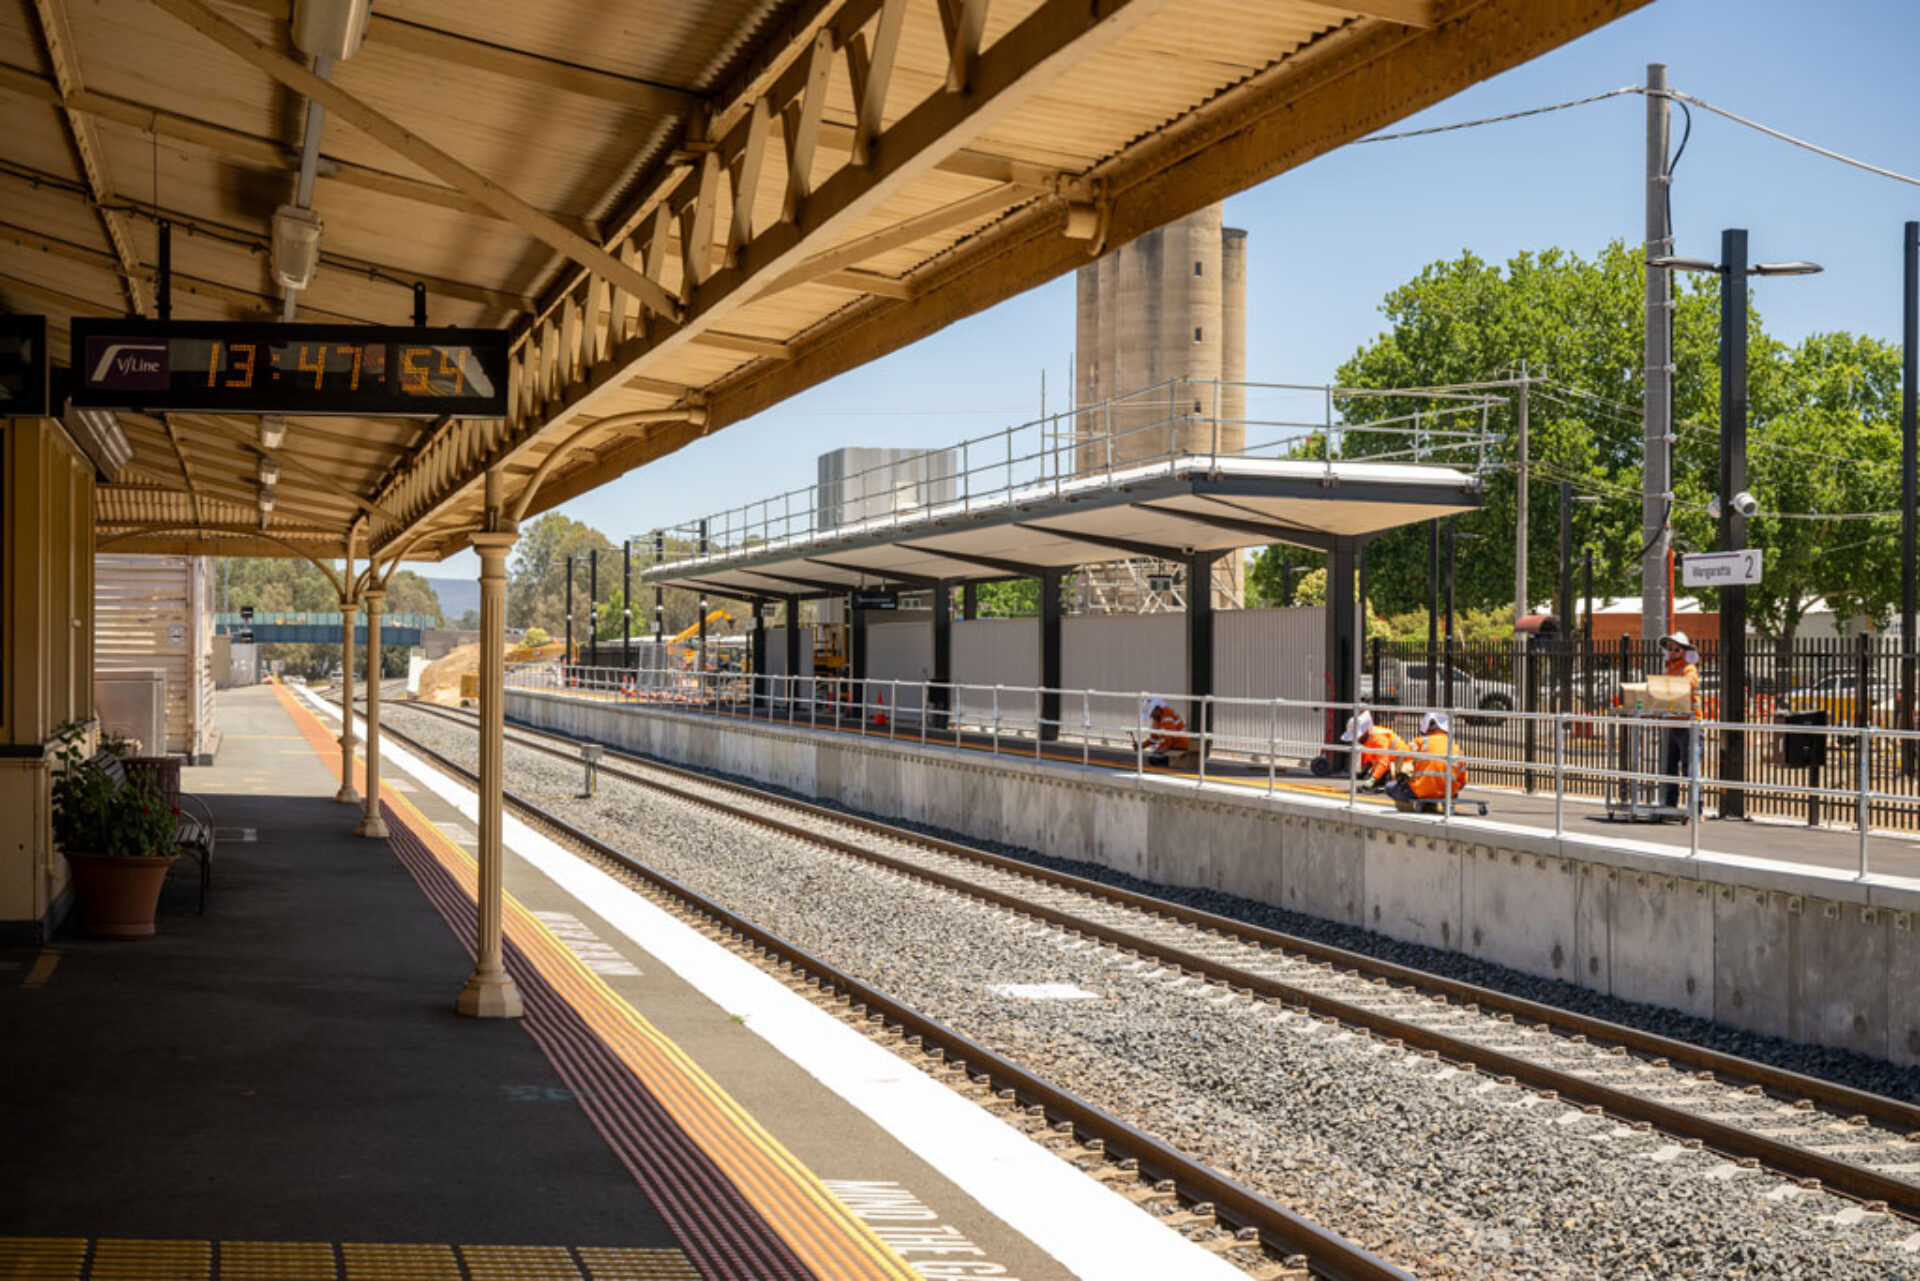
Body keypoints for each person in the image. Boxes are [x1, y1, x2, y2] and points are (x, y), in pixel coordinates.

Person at [1658, 630, 1702, 811]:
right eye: (1671, 649)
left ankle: (1695, 807)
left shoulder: (1689, 669)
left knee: (1689, 767)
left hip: (1689, 724)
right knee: (1669, 766)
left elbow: (1688, 684)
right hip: (1673, 722)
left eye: (1677, 649)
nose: (1673, 652)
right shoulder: (1670, 669)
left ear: (1684, 651)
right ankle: (1670, 804)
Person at [1384, 711, 1467, 808]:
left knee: (1390, 787)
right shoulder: (1455, 747)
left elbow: (1401, 754)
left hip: (1421, 791)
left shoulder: (1420, 742)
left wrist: (1398, 775)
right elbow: (1463, 781)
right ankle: (1438, 801)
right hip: (1448, 793)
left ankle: (1414, 806)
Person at [1340, 709, 1406, 791]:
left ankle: (1395, 784)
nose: (1355, 739)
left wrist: (1374, 778)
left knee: (1390, 779)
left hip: (1401, 759)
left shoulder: (1377, 739)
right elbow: (1373, 756)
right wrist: (1367, 767)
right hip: (1391, 759)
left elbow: (1383, 760)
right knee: (1377, 777)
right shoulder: (1368, 738)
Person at [1139, 697, 1190, 766]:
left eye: (1151, 713)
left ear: (1157, 709)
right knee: (1153, 759)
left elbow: (1169, 735)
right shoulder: (1157, 719)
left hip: (1180, 744)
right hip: (1171, 745)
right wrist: (1141, 745)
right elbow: (1154, 738)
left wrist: (1163, 749)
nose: (1151, 716)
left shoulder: (1167, 713)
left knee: (1156, 760)